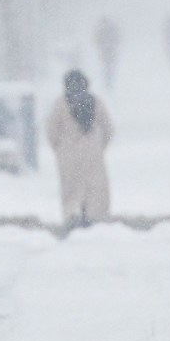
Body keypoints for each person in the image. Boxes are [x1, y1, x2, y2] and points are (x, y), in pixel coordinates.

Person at [46, 69, 114, 229]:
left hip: (68, 154)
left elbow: (51, 130)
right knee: (94, 188)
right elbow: (108, 129)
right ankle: (93, 218)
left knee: (72, 189)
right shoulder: (96, 102)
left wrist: (59, 148)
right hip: (92, 153)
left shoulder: (60, 104)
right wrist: (99, 146)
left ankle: (73, 216)